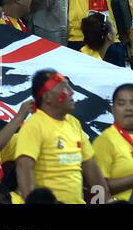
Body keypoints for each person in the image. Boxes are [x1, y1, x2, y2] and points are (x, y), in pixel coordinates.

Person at [14, 69, 106, 204]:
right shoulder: (34, 126)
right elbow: (24, 167)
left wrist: (106, 199)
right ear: (47, 97)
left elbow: (90, 165)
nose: (72, 92)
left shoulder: (73, 123)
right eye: (65, 87)